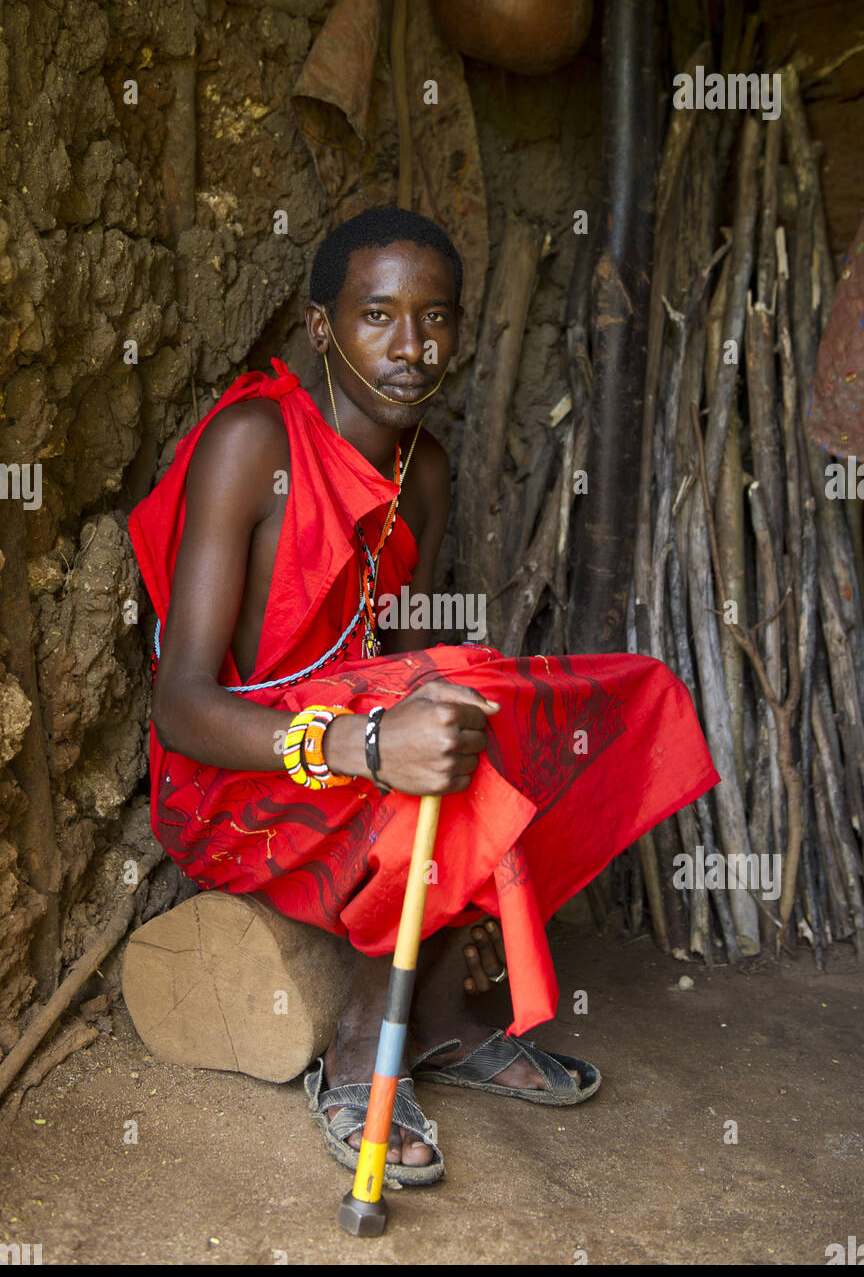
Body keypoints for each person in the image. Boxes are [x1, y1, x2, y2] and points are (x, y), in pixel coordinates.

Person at [128, 206, 720, 1185]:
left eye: (437, 318)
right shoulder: (251, 442)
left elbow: (402, 674)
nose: (414, 346)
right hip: (240, 784)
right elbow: (181, 707)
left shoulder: (423, 471)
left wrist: (480, 866)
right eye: (378, 316)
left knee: (596, 699)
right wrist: (359, 747)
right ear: (324, 328)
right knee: (443, 700)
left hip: (362, 768)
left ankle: (437, 1011)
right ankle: (361, 1056)